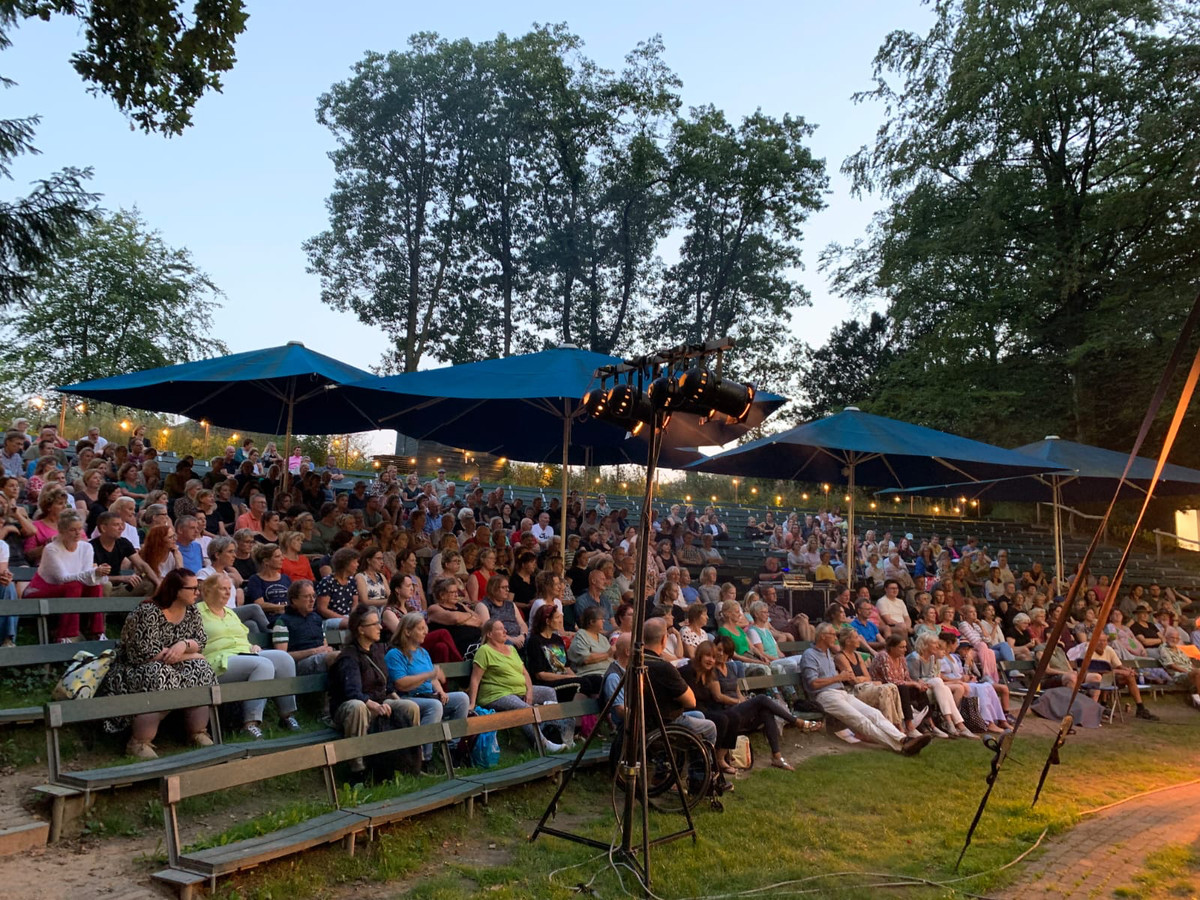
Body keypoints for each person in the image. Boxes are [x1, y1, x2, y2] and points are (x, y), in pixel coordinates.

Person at [99, 569, 217, 759]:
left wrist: (183, 645)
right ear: (176, 590)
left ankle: (198, 732)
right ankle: (138, 741)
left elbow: (200, 642)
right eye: (193, 588)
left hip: (168, 663)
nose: (198, 592)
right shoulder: (148, 611)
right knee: (159, 672)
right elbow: (143, 653)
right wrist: (189, 655)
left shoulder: (192, 610)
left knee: (201, 669)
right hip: (134, 668)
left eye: (198, 588)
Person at [800, 623, 931, 755]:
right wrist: (838, 677)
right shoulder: (810, 655)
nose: (835, 637)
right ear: (822, 636)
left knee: (875, 714)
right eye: (832, 634)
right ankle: (901, 746)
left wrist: (839, 678)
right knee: (861, 720)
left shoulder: (827, 653)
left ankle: (903, 738)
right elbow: (813, 683)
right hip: (825, 696)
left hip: (842, 692)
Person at [198, 574, 301, 738]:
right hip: (218, 661)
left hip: (243, 654)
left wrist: (252, 646)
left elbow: (241, 638)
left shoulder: (230, 613)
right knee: (263, 665)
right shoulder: (197, 613)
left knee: (284, 658)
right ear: (208, 590)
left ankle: (287, 715)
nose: (227, 593)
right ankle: (250, 724)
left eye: (229, 589)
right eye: (222, 589)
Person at [329, 606, 420, 772]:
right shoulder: (349, 656)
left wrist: (397, 702)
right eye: (375, 624)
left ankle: (410, 764)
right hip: (351, 708)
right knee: (358, 707)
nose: (380, 627)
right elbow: (353, 692)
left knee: (410, 707)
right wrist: (376, 706)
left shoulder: (378, 651)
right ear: (361, 629)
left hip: (378, 701)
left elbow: (388, 685)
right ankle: (358, 768)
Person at [467, 617, 570, 751]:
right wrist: (472, 704)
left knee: (549, 692)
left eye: (504, 628)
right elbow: (475, 679)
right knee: (525, 709)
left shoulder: (511, 649)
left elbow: (525, 673)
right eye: (500, 629)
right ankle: (543, 744)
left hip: (519, 689)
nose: (505, 631)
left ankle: (559, 736)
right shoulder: (484, 650)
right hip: (497, 694)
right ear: (489, 634)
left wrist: (530, 691)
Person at [385, 612, 469, 765]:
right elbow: (400, 683)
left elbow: (433, 678)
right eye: (421, 628)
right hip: (407, 698)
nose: (426, 632)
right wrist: (428, 675)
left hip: (428, 695)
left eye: (426, 627)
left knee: (462, 699)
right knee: (434, 706)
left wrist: (441, 690)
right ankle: (424, 757)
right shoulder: (395, 654)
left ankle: (452, 749)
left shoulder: (423, 652)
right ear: (407, 631)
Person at [23, 509, 110, 642]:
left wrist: (98, 574)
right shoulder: (51, 549)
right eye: (72, 530)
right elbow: (62, 578)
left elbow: (88, 578)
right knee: (73, 585)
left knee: (95, 586)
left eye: (79, 529)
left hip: (71, 589)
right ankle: (66, 634)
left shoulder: (86, 547)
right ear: (62, 531)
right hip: (43, 589)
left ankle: (97, 632)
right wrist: (93, 572)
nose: (77, 533)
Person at [907, 632, 976, 739]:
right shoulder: (914, 658)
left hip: (930, 684)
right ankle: (955, 724)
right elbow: (914, 678)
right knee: (939, 682)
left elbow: (930, 677)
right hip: (916, 687)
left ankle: (954, 723)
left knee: (944, 688)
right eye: (934, 643)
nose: (937, 646)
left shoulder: (931, 658)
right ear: (925, 644)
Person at [525, 604, 601, 698]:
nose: (561, 621)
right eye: (557, 617)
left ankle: (601, 711)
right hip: (548, 683)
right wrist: (569, 678)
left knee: (597, 680)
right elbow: (540, 675)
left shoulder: (557, 639)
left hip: (564, 678)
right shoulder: (535, 641)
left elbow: (567, 667)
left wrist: (574, 677)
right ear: (547, 621)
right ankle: (580, 712)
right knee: (581, 683)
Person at [271, 579, 340, 675]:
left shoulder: (316, 618)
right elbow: (282, 656)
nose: (312, 600)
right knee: (337, 657)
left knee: (350, 657)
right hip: (301, 663)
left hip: (321, 658)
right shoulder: (283, 622)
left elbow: (324, 644)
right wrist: (313, 651)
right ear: (294, 600)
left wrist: (327, 649)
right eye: (307, 597)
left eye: (313, 596)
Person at [245, 543, 292, 622]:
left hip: (289, 616)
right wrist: (283, 607)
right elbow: (260, 605)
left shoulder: (285, 578)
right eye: (277, 556)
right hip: (269, 619)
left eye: (281, 555)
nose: (283, 558)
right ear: (266, 561)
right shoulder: (255, 580)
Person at [315, 546, 359, 630]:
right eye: (355, 562)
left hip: (348, 617)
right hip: (329, 619)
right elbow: (322, 609)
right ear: (346, 563)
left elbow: (355, 604)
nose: (358, 565)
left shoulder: (352, 581)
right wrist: (344, 618)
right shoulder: (328, 582)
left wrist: (352, 617)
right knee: (352, 624)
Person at [567, 606, 614, 677]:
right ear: (592, 622)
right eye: (601, 619)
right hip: (591, 674)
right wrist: (607, 654)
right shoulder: (581, 635)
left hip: (608, 673)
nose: (603, 621)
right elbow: (585, 659)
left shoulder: (603, 638)